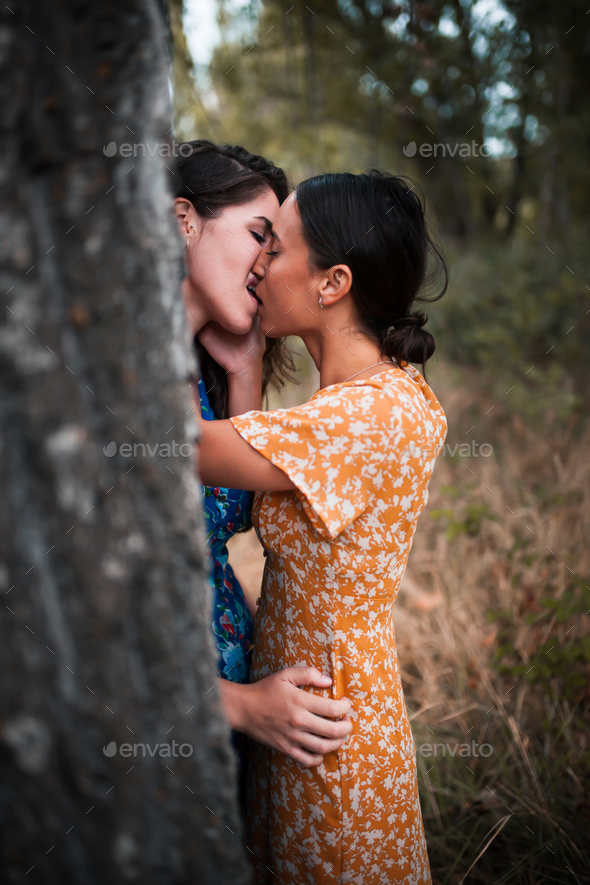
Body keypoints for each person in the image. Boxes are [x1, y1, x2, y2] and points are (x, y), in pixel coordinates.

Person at [197, 170, 449, 884]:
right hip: (298, 706)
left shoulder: (369, 415)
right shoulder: (356, 398)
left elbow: (184, 447)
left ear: (333, 282)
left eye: (274, 248)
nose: (258, 265)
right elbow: (248, 493)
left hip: (329, 736)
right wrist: (246, 367)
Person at [173, 142, 353, 788]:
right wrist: (243, 704)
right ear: (181, 220)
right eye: (257, 235)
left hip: (227, 712)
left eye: (275, 247)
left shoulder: (198, 374)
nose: (265, 264)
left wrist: (246, 369)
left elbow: (235, 514)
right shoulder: (104, 370)